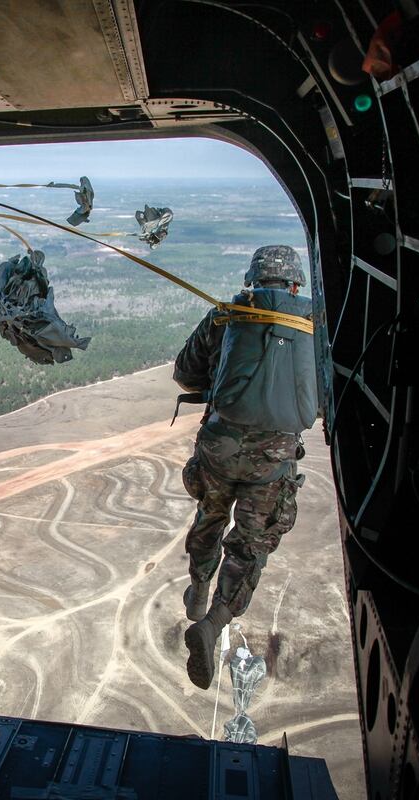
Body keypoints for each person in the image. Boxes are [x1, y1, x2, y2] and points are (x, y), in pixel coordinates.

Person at [172, 245, 317, 689]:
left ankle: (197, 588)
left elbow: (185, 372)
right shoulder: (317, 325)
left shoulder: (226, 317)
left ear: (252, 279)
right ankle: (212, 623)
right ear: (295, 284)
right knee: (251, 544)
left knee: (211, 514)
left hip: (220, 447)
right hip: (272, 462)